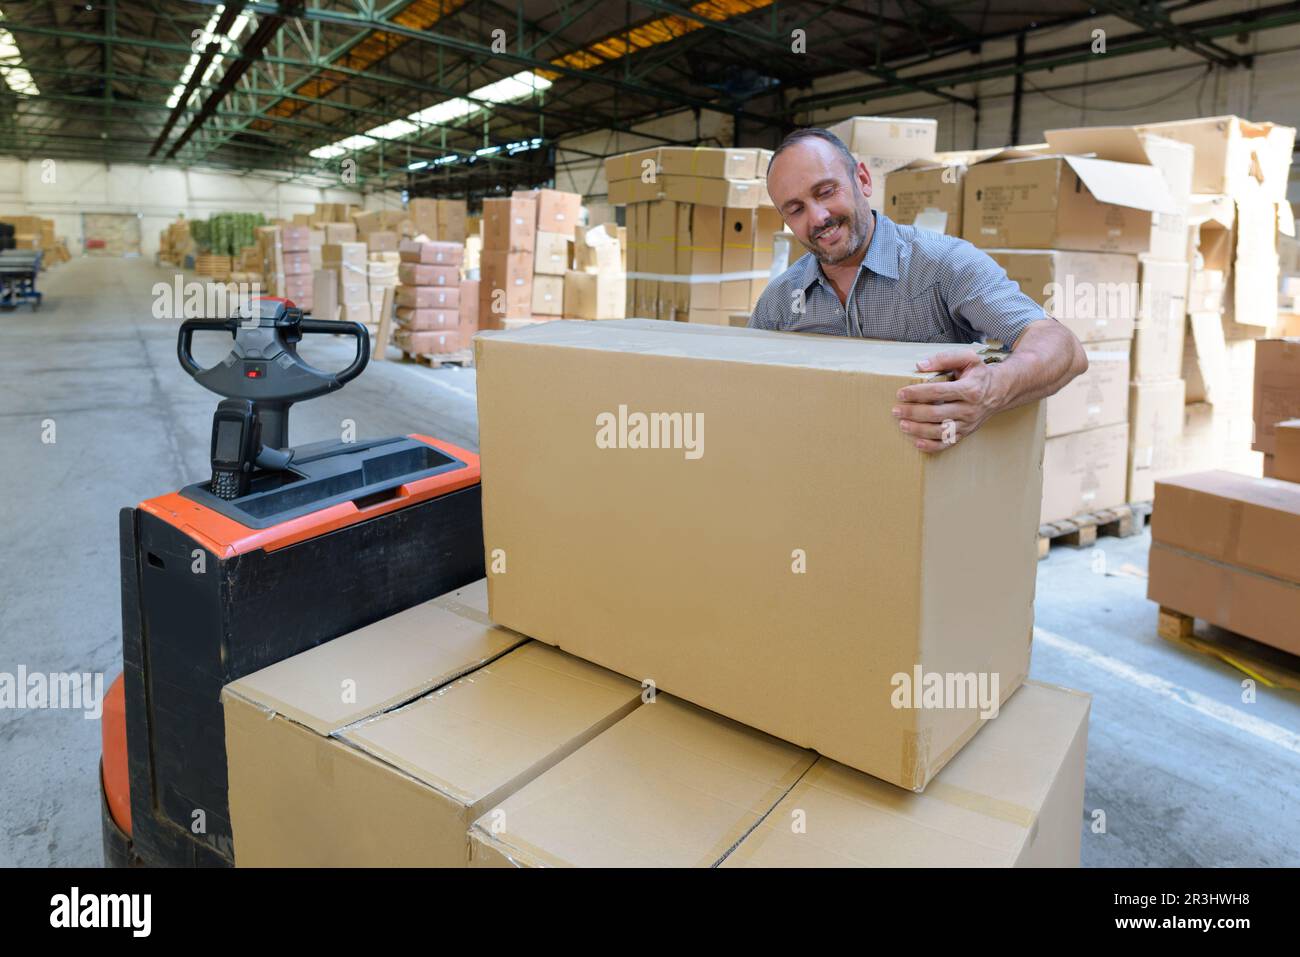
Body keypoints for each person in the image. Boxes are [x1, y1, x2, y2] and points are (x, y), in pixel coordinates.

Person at [751, 127, 1088, 452]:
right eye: (796, 210)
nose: (818, 217)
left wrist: (992, 388)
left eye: (826, 191)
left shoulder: (943, 265)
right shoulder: (780, 301)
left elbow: (1063, 347)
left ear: (863, 180)